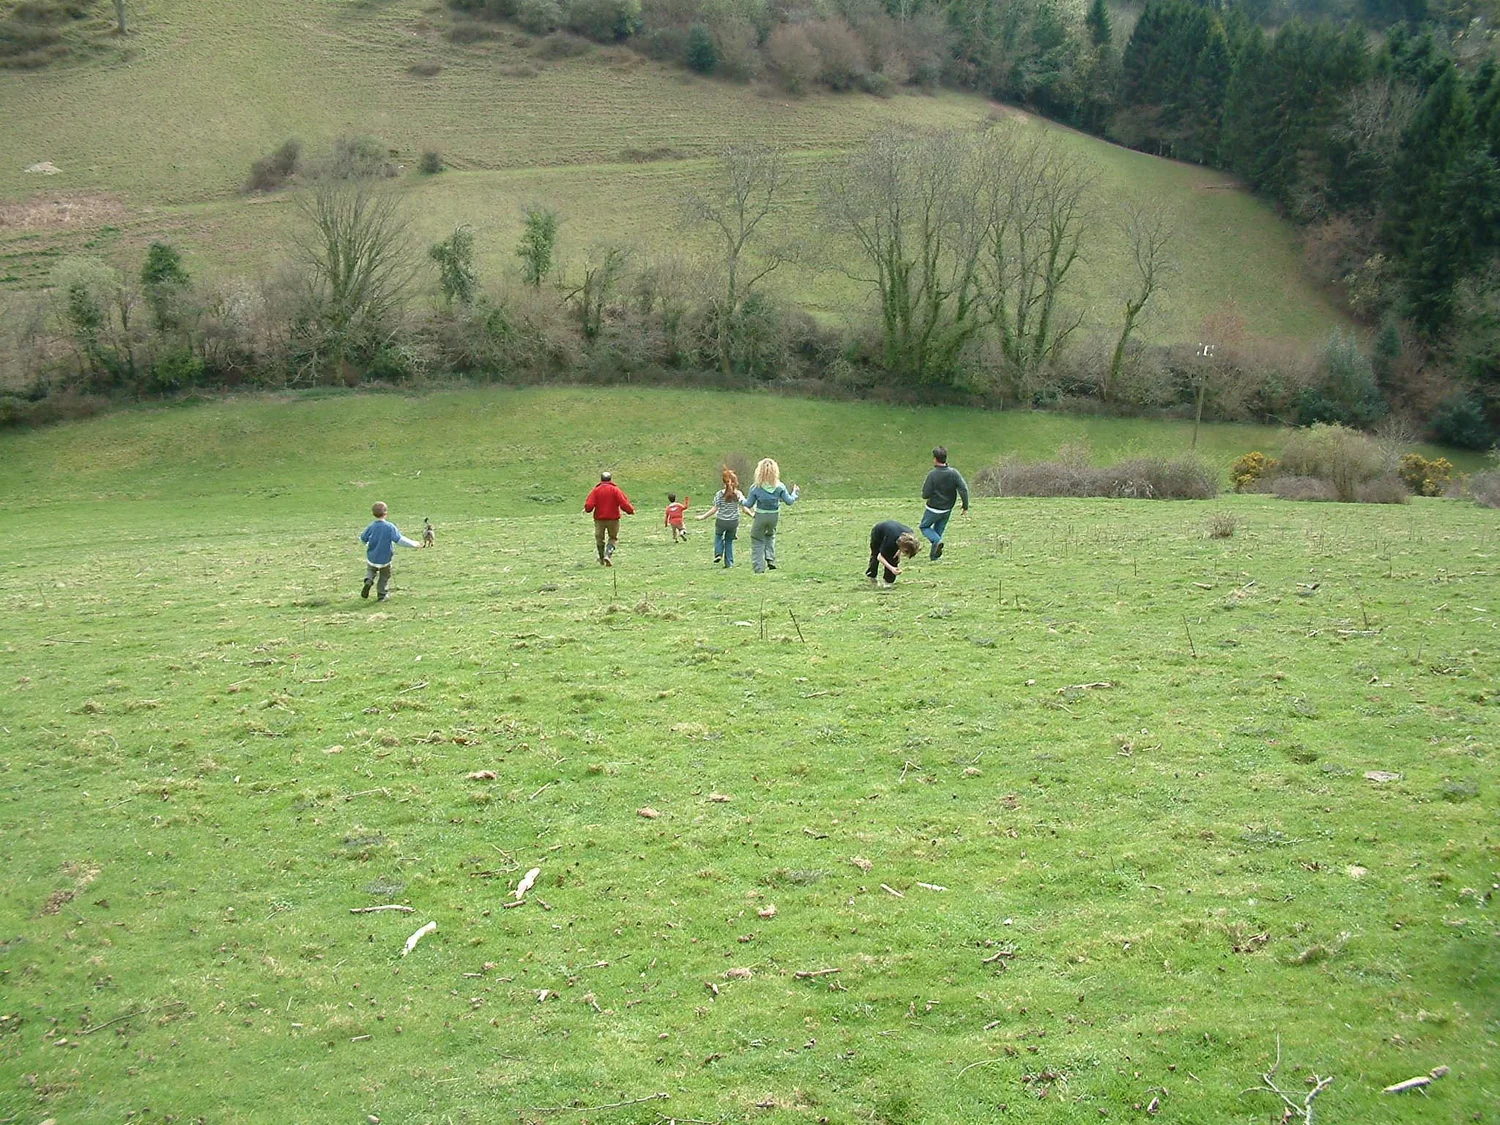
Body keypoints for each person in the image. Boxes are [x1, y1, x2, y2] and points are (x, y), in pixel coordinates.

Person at [741, 458, 799, 574]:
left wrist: (740, 498)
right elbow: (789, 501)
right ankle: (770, 558)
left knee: (757, 539)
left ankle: (759, 568)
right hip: (774, 516)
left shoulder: (755, 487)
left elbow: (749, 504)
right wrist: (795, 493)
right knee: (770, 535)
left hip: (760, 515)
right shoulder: (780, 486)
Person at [360, 501, 420, 601]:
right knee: (384, 576)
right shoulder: (389, 527)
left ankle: (368, 580)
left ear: (373, 513)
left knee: (371, 570)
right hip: (385, 559)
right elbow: (399, 540)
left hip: (372, 557)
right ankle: (382, 595)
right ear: (386, 513)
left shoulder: (371, 526)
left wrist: (368, 544)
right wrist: (413, 544)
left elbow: (363, 538)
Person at [920, 446, 969, 560]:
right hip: (947, 509)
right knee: (938, 531)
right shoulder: (954, 473)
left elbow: (925, 494)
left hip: (933, 509)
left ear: (936, 459)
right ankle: (934, 558)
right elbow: (963, 489)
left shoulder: (932, 474)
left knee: (924, 527)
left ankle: (937, 542)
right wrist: (965, 506)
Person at [583, 471, 635, 566]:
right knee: (613, 538)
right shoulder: (615, 490)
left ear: (601, 479)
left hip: (599, 520)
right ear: (610, 479)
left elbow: (589, 504)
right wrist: (630, 511)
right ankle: (608, 555)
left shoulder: (596, 490)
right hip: (613, 519)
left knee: (599, 538)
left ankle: (601, 558)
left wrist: (587, 510)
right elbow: (623, 503)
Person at [696, 467, 744, 568]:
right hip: (733, 522)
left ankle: (718, 553)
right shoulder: (738, 494)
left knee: (718, 536)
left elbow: (715, 508)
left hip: (721, 521)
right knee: (729, 541)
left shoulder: (719, 494)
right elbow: (745, 505)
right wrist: (753, 513)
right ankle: (729, 563)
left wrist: (703, 517)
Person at [867, 519, 921, 585]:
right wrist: (892, 568)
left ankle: (888, 582)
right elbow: (879, 556)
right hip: (878, 533)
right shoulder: (890, 543)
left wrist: (899, 552)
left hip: (893, 533)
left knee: (894, 558)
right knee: (875, 555)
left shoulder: (910, 535)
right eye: (905, 552)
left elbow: (905, 544)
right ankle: (872, 576)